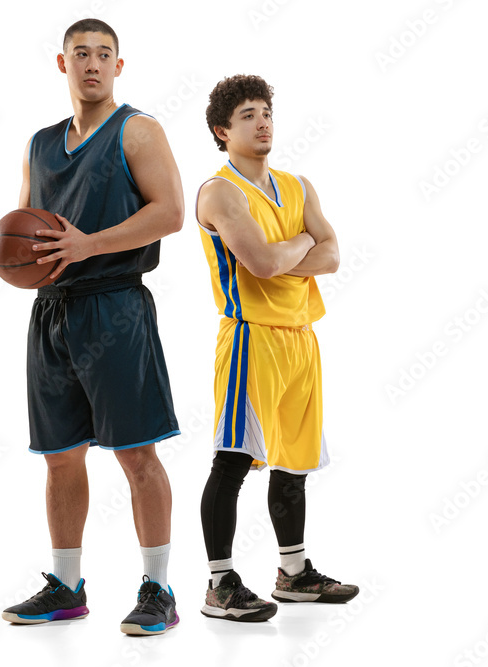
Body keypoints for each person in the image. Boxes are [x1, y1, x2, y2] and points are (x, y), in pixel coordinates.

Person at [0, 19, 182, 636]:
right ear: (63, 63)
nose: (93, 64)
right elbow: (27, 221)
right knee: (59, 456)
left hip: (116, 305)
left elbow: (170, 213)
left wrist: (89, 245)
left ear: (118, 66)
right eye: (81, 54)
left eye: (104, 54)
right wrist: (10, 254)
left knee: (136, 453)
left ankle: (159, 588)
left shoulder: (138, 130)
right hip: (52, 312)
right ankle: (67, 586)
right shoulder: (39, 144)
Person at [195, 74, 359, 621]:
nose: (262, 122)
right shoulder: (219, 192)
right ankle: (220, 585)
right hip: (251, 338)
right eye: (247, 115)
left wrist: (293, 249)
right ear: (222, 131)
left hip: (301, 337)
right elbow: (262, 265)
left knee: (294, 462)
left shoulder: (298, 185)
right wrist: (306, 240)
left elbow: (333, 257)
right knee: (234, 459)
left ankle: (294, 573)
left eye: (266, 112)